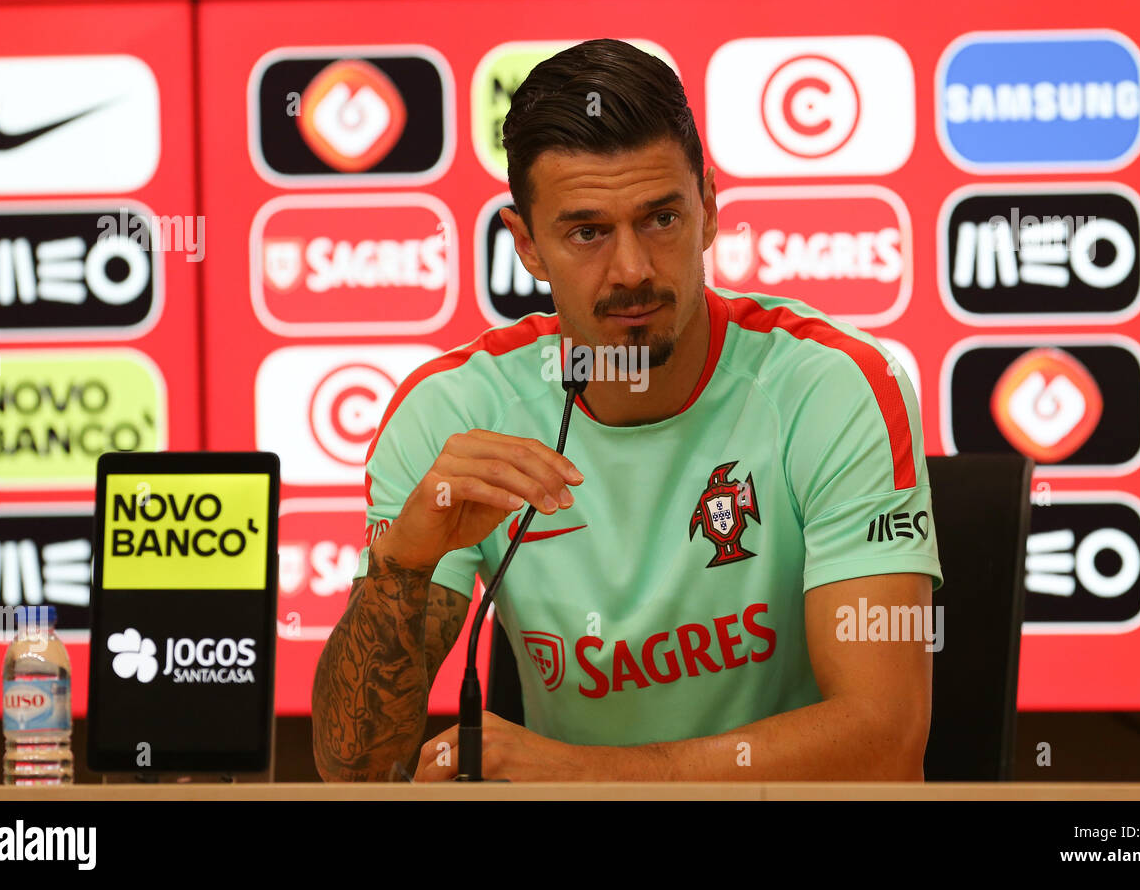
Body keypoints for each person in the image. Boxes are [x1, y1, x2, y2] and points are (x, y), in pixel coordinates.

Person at [311, 38, 943, 783]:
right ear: (527, 246)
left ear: (709, 209)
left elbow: (885, 741)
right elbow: (354, 770)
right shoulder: (449, 413)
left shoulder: (834, 387)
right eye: (587, 231)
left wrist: (585, 775)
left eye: (661, 219)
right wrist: (402, 566)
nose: (633, 269)